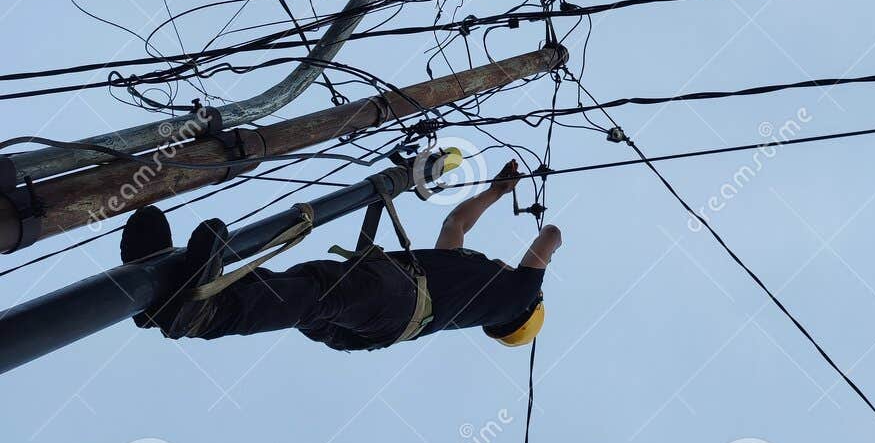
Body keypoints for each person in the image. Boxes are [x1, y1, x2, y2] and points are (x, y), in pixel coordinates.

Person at [119, 160, 560, 352]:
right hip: (386, 311)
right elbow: (455, 226)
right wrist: (496, 193)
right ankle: (170, 288)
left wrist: (551, 241)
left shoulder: (517, 296)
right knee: (301, 289)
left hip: (395, 299)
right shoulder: (466, 281)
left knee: (312, 292)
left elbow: (550, 237)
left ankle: (201, 316)